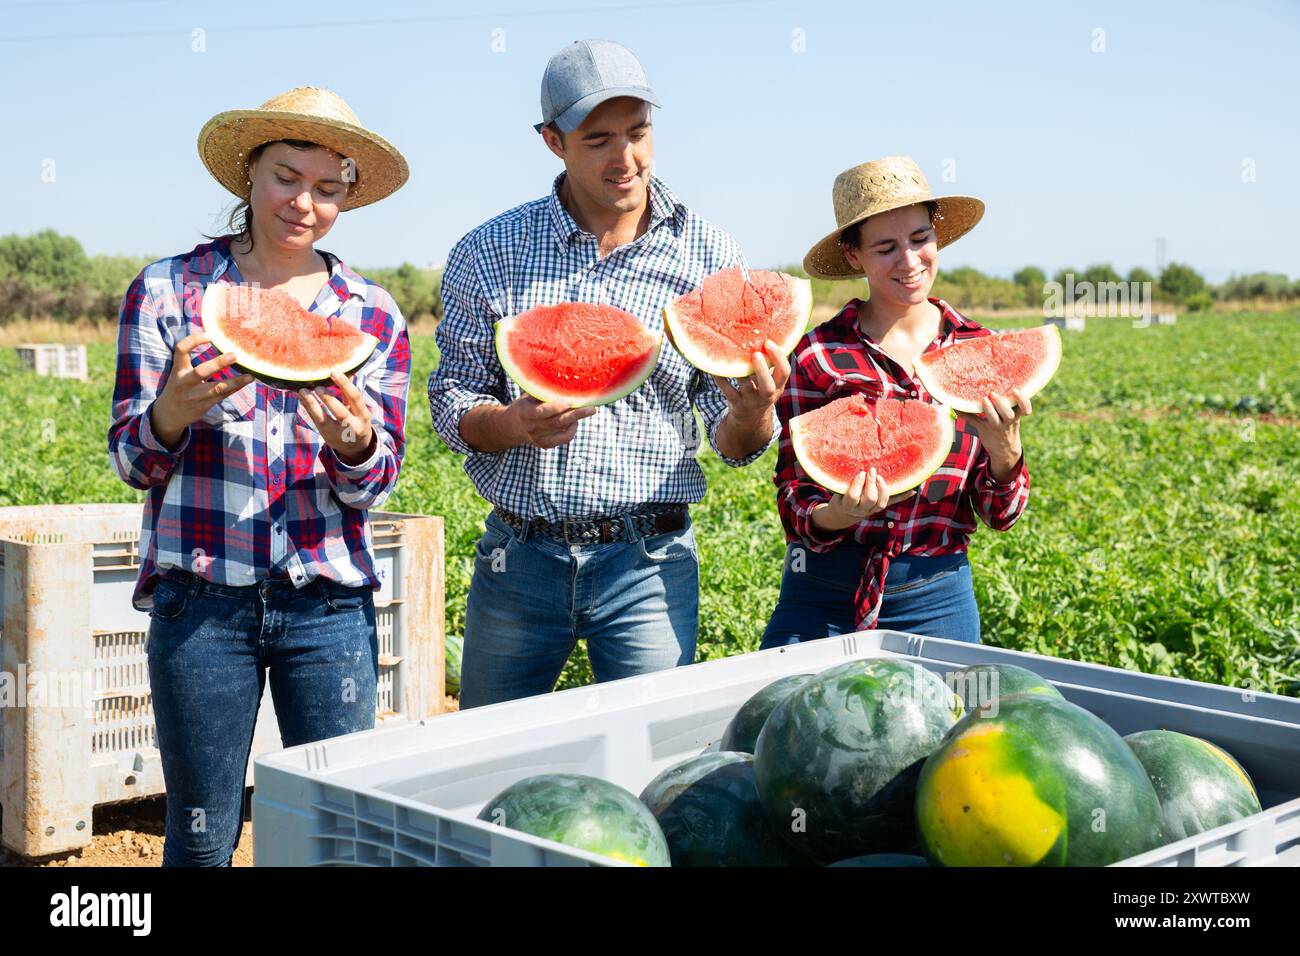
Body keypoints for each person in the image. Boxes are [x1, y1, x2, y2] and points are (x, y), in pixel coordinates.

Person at [429, 40, 786, 708]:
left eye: (639, 133)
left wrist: (751, 412)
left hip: (649, 561)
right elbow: (451, 401)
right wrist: (509, 424)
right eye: (598, 140)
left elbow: (734, 445)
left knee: (651, 764)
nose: (626, 159)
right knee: (485, 755)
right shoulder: (488, 252)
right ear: (552, 142)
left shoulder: (709, 254)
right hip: (520, 558)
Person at [107, 87, 412, 865]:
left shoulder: (372, 316)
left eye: (327, 188)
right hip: (200, 604)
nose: (303, 203)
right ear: (248, 174)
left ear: (346, 199)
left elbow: (375, 483)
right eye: (286, 176)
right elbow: (132, 460)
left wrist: (354, 444)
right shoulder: (168, 291)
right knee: (202, 836)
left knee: (338, 834)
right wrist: (170, 410)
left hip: (328, 608)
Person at [762, 155, 1032, 648]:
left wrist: (1006, 452)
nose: (909, 262)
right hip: (820, 591)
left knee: (939, 726)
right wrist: (840, 513)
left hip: (938, 595)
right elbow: (792, 500)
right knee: (789, 722)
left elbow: (1002, 516)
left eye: (920, 239)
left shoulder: (978, 350)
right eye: (885, 248)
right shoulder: (817, 355)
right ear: (853, 256)